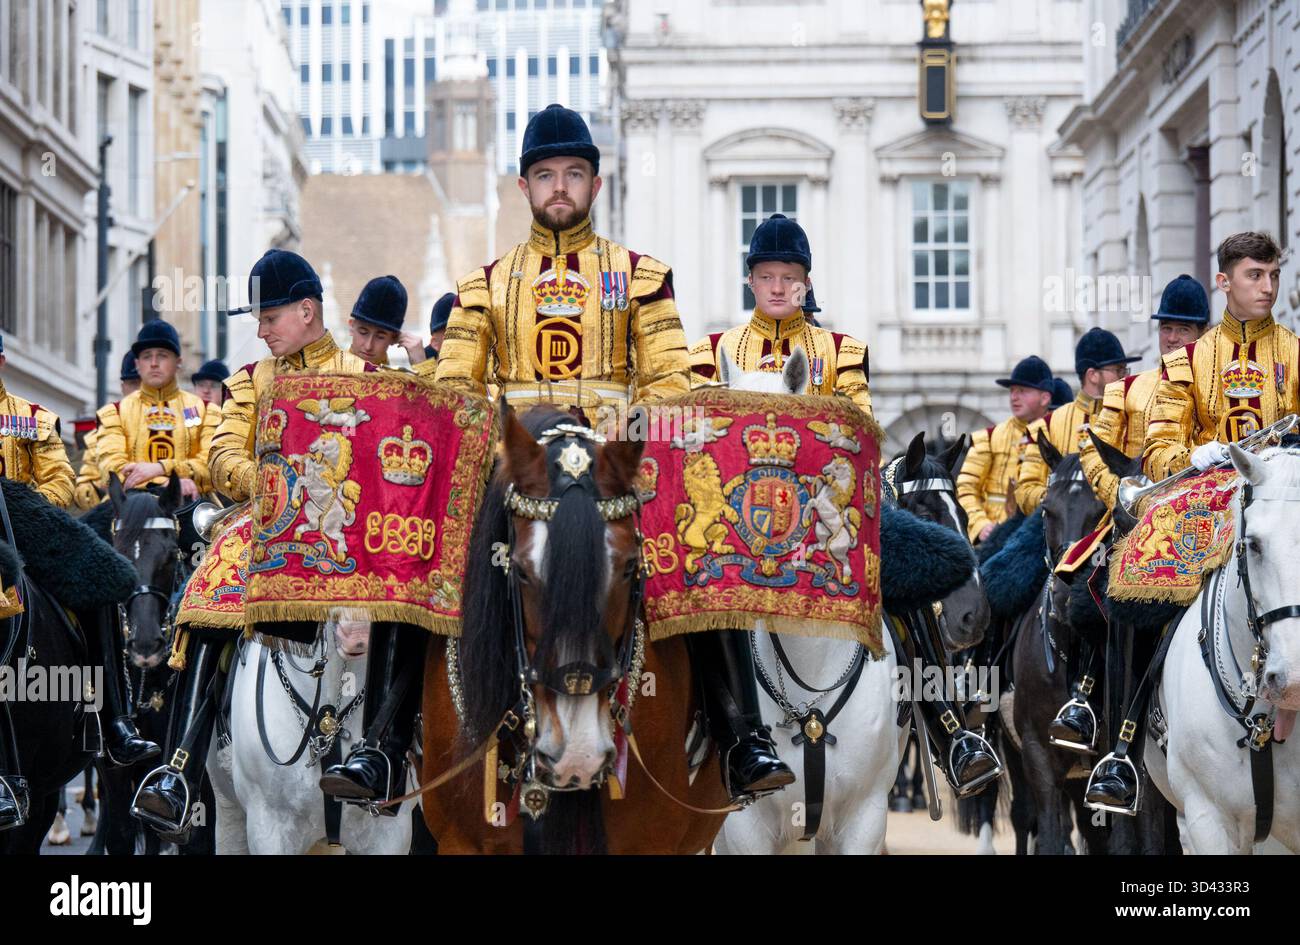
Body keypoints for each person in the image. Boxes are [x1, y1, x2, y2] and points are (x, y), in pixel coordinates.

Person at [429, 105, 792, 803]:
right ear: (524, 186)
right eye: (545, 175)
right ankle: (385, 739)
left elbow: (672, 385)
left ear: (596, 186)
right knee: (418, 564)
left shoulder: (643, 277)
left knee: (702, 552)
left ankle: (742, 731)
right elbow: (457, 394)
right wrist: (515, 442)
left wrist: (614, 436)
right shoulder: (483, 285)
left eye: (573, 174)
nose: (559, 187)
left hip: (611, 472)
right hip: (522, 475)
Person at [132, 249, 371, 838]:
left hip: (344, 520)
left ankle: (396, 743)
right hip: (265, 521)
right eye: (259, 322)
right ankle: (181, 765)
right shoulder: (250, 381)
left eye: (269, 319)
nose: (261, 332)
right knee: (206, 593)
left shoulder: (365, 379)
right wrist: (271, 484)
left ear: (308, 311)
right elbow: (220, 456)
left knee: (404, 595)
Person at [1087, 232, 1295, 814]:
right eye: (1256, 275)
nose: (1268, 286)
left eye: (1274, 275)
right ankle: (1125, 746)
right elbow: (1158, 449)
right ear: (1225, 282)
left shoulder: (1296, 352)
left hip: (1282, 502)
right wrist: (1191, 458)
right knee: (1131, 587)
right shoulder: (1184, 365)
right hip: (1205, 503)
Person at [0, 334, 158, 829]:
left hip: (24, 527)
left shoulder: (30, 415)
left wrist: (16, 505)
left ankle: (112, 718)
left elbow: (61, 480)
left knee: (103, 573)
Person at [1049, 276, 1212, 757]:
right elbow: (1092, 448)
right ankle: (1085, 701)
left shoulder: (1221, 384)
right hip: (1131, 520)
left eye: (1184, 328)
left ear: (1202, 331)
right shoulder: (1127, 389)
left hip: (1205, 519)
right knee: (1085, 597)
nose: (1172, 337)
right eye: (1166, 328)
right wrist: (1123, 492)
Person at [688, 214, 871, 416]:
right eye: (766, 277)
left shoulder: (842, 354)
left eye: (789, 278)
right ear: (751, 281)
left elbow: (862, 436)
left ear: (806, 284)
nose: (777, 289)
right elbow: (688, 432)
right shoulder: (709, 353)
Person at [1015, 328, 1141, 515]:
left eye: (1124, 369)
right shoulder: (1045, 428)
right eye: (1118, 370)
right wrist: (1063, 499)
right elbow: (1026, 491)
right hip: (1066, 538)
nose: (1124, 375)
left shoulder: (1135, 415)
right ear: (1092, 375)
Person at [94, 320, 212, 502]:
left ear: (178, 362)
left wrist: (161, 467)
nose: (154, 363)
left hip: (191, 508)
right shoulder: (114, 413)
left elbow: (212, 465)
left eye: (163, 355)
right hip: (128, 510)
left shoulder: (206, 411)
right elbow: (111, 469)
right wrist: (169, 483)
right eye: (147, 356)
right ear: (137, 363)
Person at [956, 355, 1054, 543]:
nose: (1014, 397)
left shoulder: (1061, 434)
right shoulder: (989, 437)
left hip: (1045, 541)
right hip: (995, 544)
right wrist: (980, 525)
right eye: (1012, 391)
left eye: (1023, 391)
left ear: (1045, 397)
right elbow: (965, 488)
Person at [346, 274, 431, 370]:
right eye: (363, 332)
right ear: (351, 326)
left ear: (394, 338)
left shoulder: (401, 382)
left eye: (380, 337)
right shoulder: (328, 372)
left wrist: (421, 363)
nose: (368, 346)